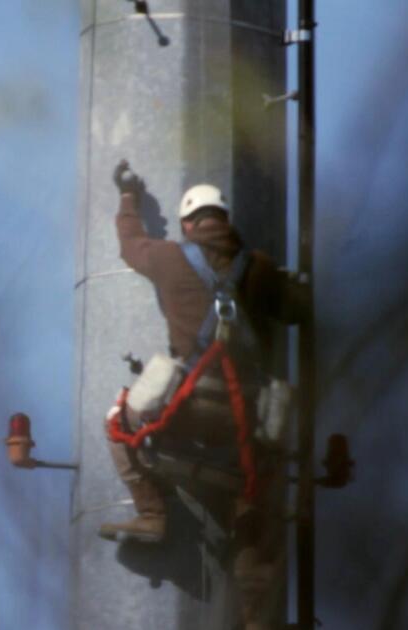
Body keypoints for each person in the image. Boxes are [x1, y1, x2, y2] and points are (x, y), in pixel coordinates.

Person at [100, 160, 305, 630]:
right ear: (225, 221)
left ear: (189, 224)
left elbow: (131, 246)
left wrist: (129, 198)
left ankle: (152, 512)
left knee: (118, 418)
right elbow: (296, 311)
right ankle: (257, 618)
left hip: (185, 410)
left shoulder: (170, 257)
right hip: (246, 428)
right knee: (252, 506)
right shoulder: (260, 269)